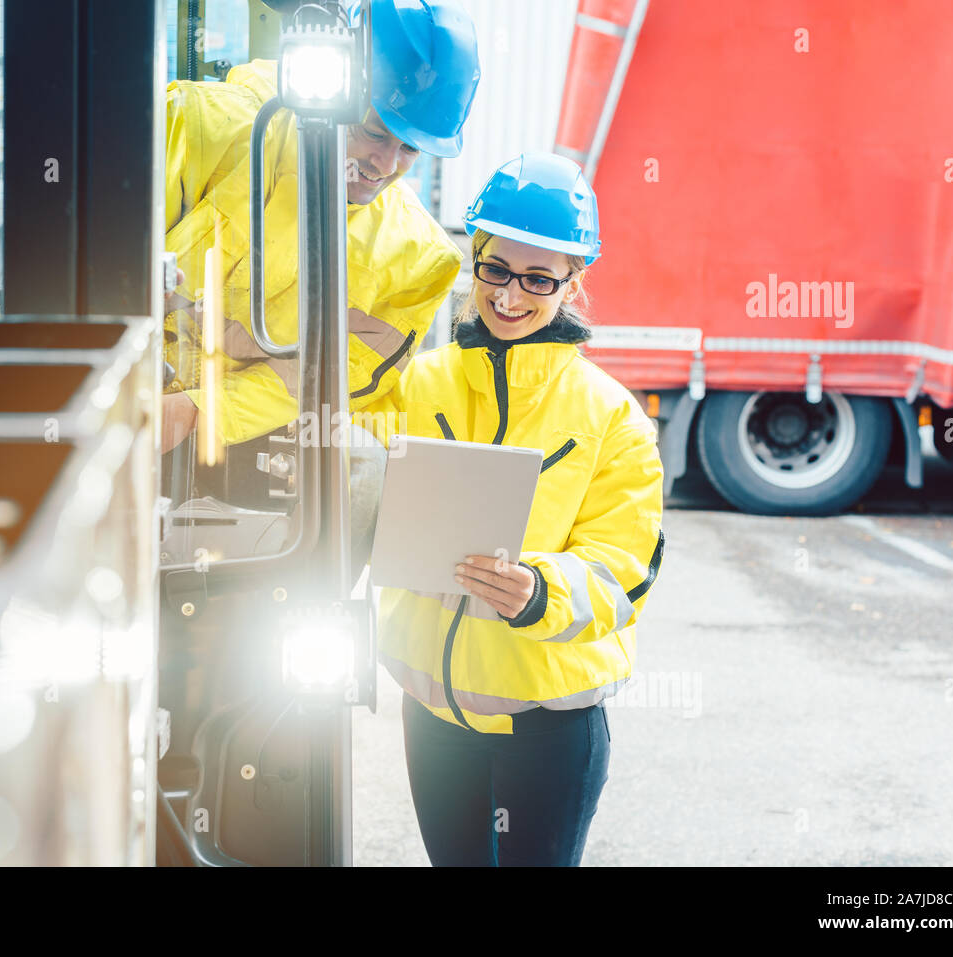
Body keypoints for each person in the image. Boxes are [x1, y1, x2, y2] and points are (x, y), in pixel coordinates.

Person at [375, 152, 666, 866]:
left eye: (539, 278)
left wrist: (541, 590)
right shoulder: (417, 383)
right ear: (473, 259)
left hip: (547, 726)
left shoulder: (612, 417)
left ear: (573, 283)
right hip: (433, 713)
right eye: (497, 269)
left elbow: (624, 570)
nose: (510, 295)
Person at [160, 0, 481, 453]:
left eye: (410, 148)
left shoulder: (417, 260)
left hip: (230, 445)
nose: (385, 165)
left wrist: (198, 410)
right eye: (373, 132)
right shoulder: (204, 129)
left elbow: (327, 377)